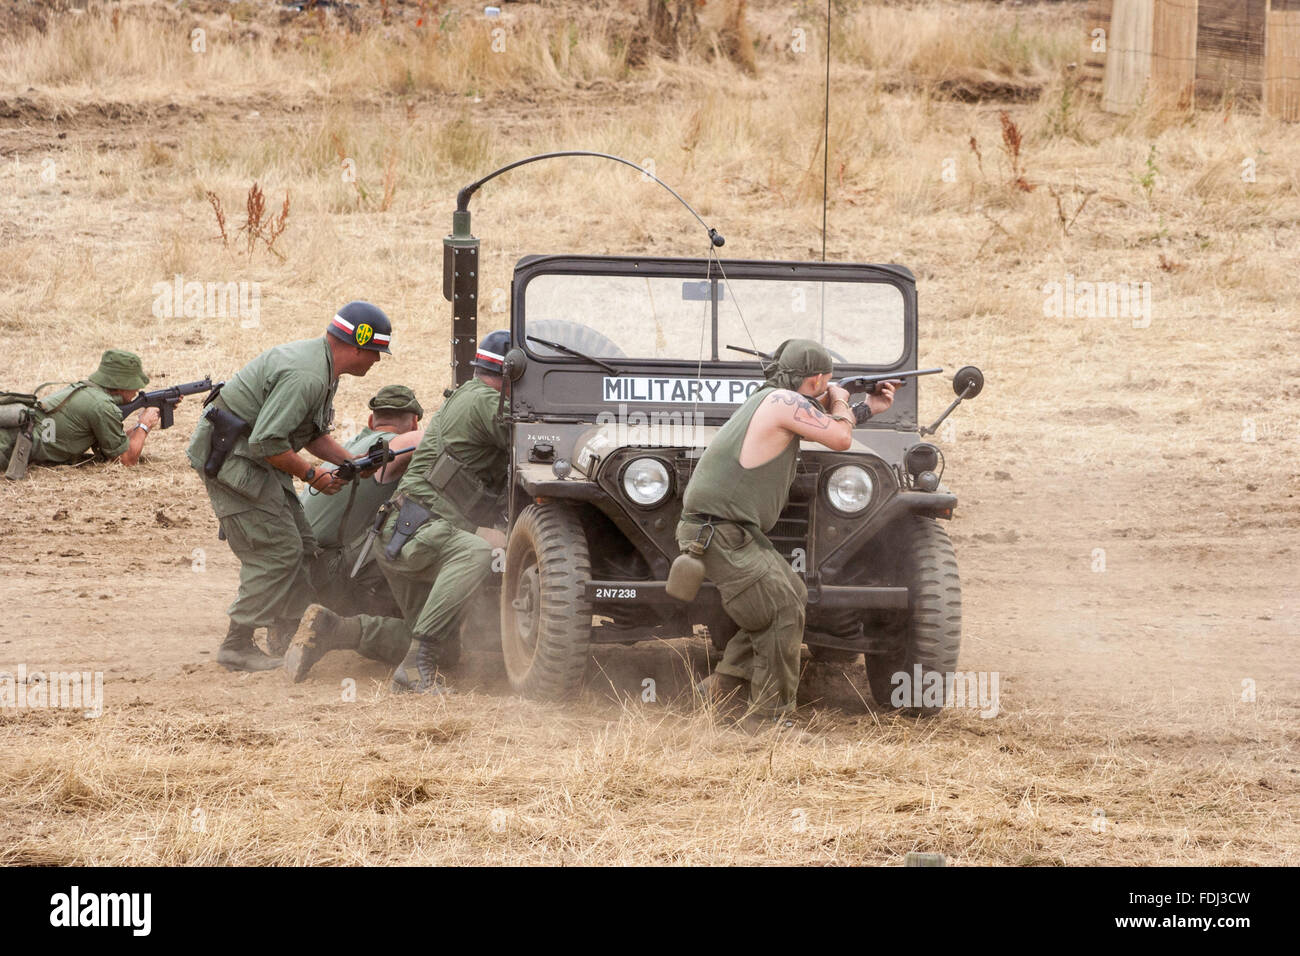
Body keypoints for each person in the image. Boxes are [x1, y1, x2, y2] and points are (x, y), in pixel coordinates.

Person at [676, 339, 897, 729]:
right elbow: (840, 437)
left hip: (726, 527)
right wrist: (842, 399)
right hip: (720, 530)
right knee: (779, 610)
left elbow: (824, 424)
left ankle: (721, 692)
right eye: (825, 382)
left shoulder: (772, 398)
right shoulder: (782, 402)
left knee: (790, 598)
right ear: (816, 380)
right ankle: (767, 721)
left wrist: (867, 408)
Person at [284, 330, 511, 693]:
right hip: (415, 533)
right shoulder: (486, 401)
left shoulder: (466, 398)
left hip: (398, 534)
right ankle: (415, 668)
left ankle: (336, 630)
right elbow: (535, 440)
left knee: (446, 649)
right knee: (477, 552)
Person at [186, 301, 393, 673]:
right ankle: (236, 644)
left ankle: (285, 632)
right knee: (276, 550)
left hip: (257, 460)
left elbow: (310, 434)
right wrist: (313, 475)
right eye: (376, 352)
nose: (377, 362)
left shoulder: (322, 368)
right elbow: (267, 441)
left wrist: (350, 463)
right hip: (234, 461)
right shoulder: (308, 375)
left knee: (302, 543)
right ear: (358, 345)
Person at [292, 385, 425, 657]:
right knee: (417, 537)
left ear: (369, 420)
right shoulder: (388, 447)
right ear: (414, 422)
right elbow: (429, 440)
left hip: (299, 571)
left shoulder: (350, 447)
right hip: (328, 572)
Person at [0, 350, 164, 471]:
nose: (138, 388)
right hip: (6, 447)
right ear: (121, 384)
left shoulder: (88, 391)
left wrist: (139, 426)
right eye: (134, 383)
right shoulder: (102, 406)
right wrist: (144, 425)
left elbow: (115, 442)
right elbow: (126, 459)